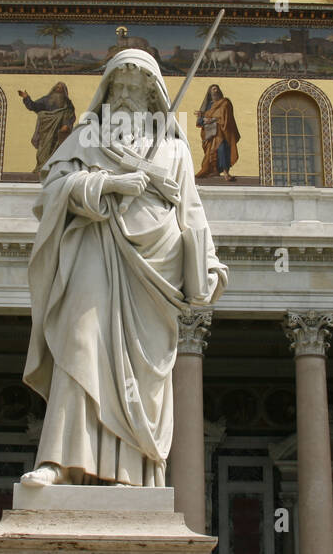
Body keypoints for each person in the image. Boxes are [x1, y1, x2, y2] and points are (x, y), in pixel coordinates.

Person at [21, 50, 228, 487]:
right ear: (108, 91)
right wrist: (109, 183)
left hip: (156, 265)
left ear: (155, 95)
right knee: (80, 342)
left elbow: (192, 211)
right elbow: (51, 195)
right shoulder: (86, 139)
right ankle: (60, 461)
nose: (129, 96)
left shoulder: (173, 149)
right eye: (121, 87)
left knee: (143, 373)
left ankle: (129, 472)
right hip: (96, 245)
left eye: (138, 88)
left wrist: (208, 265)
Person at [18, 81, 76, 172]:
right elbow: (34, 106)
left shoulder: (67, 103)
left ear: (64, 91)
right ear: (53, 89)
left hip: (59, 132)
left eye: (61, 88)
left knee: (58, 150)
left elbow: (70, 114)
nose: (59, 89)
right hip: (46, 131)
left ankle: (55, 169)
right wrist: (26, 98)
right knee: (43, 150)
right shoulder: (46, 100)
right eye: (57, 87)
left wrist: (67, 125)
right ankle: (41, 168)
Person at [195, 83, 241, 182]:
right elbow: (201, 121)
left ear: (219, 91)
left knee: (222, 149)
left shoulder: (225, 102)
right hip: (210, 133)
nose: (214, 91)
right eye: (212, 90)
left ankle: (226, 173)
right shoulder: (208, 105)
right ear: (209, 93)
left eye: (215, 89)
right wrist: (202, 117)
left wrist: (213, 119)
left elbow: (226, 116)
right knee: (211, 152)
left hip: (223, 132)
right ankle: (214, 171)